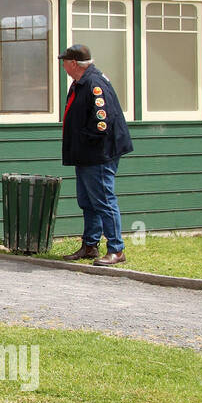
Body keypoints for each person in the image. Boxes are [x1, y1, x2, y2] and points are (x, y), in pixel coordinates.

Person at [57, 43, 133, 265]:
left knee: (104, 200)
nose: (63, 66)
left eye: (65, 62)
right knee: (88, 201)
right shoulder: (81, 82)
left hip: (98, 154)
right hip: (86, 154)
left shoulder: (94, 83)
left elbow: (102, 124)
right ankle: (90, 246)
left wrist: (81, 140)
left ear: (73, 64)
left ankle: (116, 250)